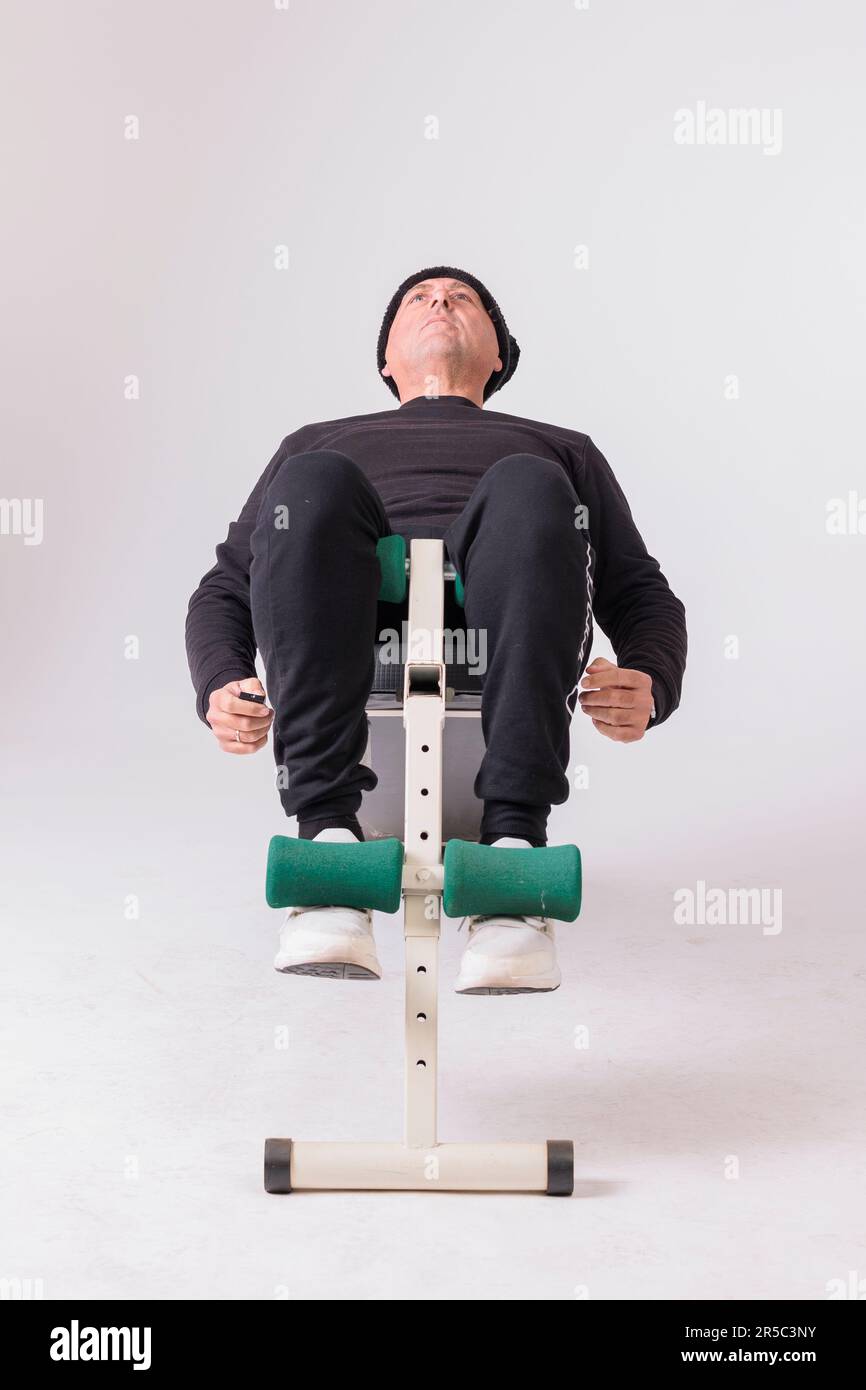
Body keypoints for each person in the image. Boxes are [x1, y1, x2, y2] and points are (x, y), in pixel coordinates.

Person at [185, 266, 687, 993]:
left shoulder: (559, 447)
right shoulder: (316, 440)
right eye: (418, 297)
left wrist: (651, 677)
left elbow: (641, 591)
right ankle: (328, 852)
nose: (441, 301)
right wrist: (220, 679)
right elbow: (227, 585)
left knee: (526, 483)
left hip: (516, 624)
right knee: (314, 481)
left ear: (499, 356)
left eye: (464, 298)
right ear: (385, 360)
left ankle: (513, 853)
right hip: (346, 635)